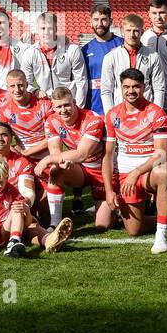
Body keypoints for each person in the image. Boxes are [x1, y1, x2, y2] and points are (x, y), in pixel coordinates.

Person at [101, 68, 167, 253]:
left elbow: (161, 154)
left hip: (147, 173)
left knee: (164, 172)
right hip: (125, 176)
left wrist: (136, 172)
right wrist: (109, 190)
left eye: (136, 86)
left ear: (144, 86)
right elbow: (108, 155)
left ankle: (161, 235)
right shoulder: (113, 114)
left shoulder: (156, 113)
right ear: (120, 87)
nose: (131, 91)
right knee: (134, 230)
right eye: (126, 87)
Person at [37, 87, 105, 228]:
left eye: (67, 105)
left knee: (103, 224)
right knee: (55, 170)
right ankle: (54, 224)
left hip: (102, 172)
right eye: (59, 107)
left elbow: (82, 154)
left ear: (74, 102)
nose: (63, 110)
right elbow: (55, 153)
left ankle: (113, 208)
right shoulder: (51, 122)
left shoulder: (93, 119)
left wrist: (47, 159)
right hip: (81, 169)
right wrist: (59, 162)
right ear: (53, 108)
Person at [18, 12, 88, 106]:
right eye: (43, 28)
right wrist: (35, 90)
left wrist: (78, 107)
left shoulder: (72, 50)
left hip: (68, 104)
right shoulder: (30, 53)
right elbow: (26, 82)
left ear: (56, 29)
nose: (46, 32)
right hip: (44, 104)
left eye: (50, 28)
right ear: (37, 30)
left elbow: (81, 82)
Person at [100, 13, 165, 113]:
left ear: (142, 32)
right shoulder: (110, 57)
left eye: (135, 31)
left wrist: (156, 113)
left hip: (146, 113)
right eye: (128, 30)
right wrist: (110, 115)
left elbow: (159, 88)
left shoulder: (153, 56)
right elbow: (106, 90)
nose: (132, 34)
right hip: (121, 114)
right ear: (122, 32)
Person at [0, 68, 54, 167]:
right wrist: (14, 149)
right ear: (7, 88)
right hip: (22, 159)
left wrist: (27, 152)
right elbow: (0, 137)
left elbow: (53, 137)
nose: (17, 90)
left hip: (47, 157)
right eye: (12, 86)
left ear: (27, 84)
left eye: (20, 85)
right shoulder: (5, 111)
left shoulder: (45, 104)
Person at [82, 4, 123, 115]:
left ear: (111, 21)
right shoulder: (84, 50)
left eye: (103, 20)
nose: (99, 24)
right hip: (94, 108)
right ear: (90, 22)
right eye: (96, 20)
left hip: (121, 105)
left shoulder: (123, 44)